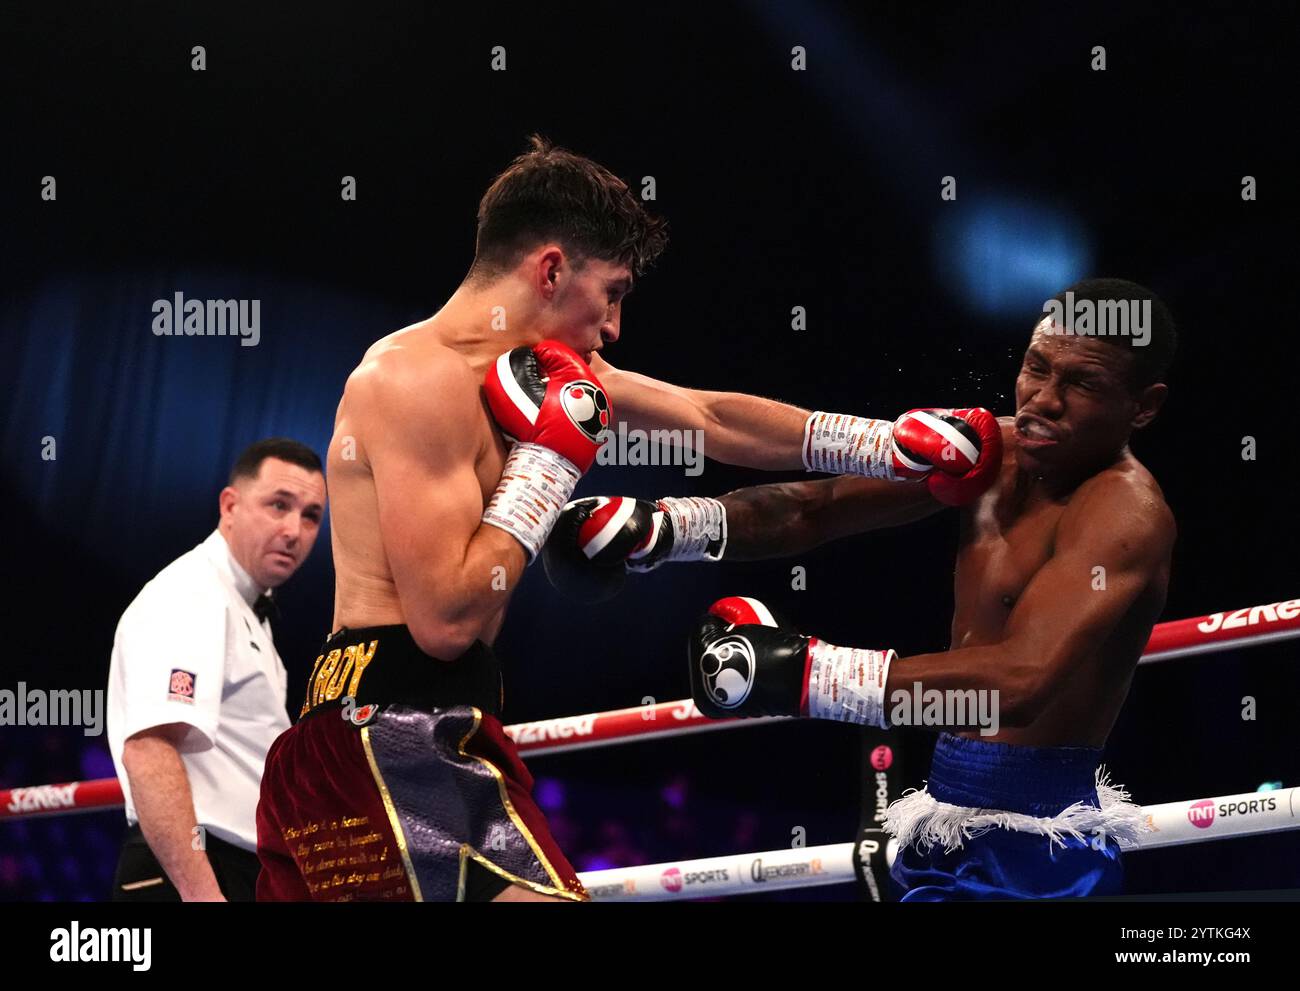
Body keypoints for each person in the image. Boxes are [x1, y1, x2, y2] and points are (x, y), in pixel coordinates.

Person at [254, 135, 1001, 902]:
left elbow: (709, 416)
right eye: (610, 293)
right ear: (550, 269)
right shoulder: (413, 380)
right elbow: (444, 618)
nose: (613, 327)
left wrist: (885, 443)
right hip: (386, 738)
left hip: (417, 731)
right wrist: (548, 464)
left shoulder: (540, 373)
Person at [554, 278, 1177, 899]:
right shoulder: (993, 450)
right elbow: (817, 508)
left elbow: (1019, 684)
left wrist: (808, 677)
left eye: (1082, 385)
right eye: (1036, 369)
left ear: (1143, 407)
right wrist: (669, 527)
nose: (1046, 399)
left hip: (1038, 851)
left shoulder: (1124, 515)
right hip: (944, 817)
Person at [107, 438, 326, 901]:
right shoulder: (192, 593)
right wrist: (203, 895)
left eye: (310, 516)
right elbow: (149, 749)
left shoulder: (244, 611)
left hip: (236, 870)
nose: (294, 529)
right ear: (230, 505)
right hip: (195, 871)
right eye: (278, 505)